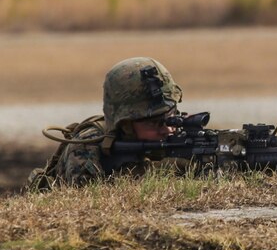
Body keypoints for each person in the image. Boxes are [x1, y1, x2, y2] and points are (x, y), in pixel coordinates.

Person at [27, 57, 183, 189]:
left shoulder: (172, 140)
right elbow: (86, 208)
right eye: (154, 123)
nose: (168, 129)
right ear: (126, 124)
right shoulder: (87, 147)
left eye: (171, 117)